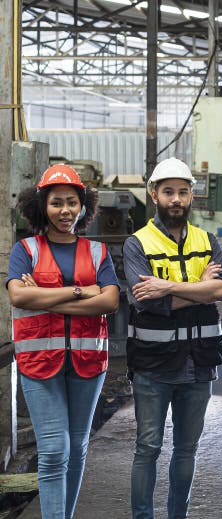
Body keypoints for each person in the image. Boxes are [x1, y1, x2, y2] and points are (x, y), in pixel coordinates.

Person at [7, 164, 119, 519]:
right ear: (43, 206)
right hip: (40, 364)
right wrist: (78, 292)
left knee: (77, 446)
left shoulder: (98, 253)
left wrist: (45, 293)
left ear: (83, 207)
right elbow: (19, 298)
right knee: (55, 450)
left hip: (88, 363)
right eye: (57, 203)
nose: (65, 210)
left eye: (72, 202)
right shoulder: (24, 250)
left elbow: (109, 301)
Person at [123, 157, 222, 519]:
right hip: (153, 365)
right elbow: (144, 300)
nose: (176, 199)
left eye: (183, 192)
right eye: (168, 191)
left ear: (192, 196)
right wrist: (199, 286)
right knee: (148, 447)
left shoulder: (207, 240)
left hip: (199, 362)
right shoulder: (137, 244)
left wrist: (169, 286)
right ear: (154, 194)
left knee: (187, 449)